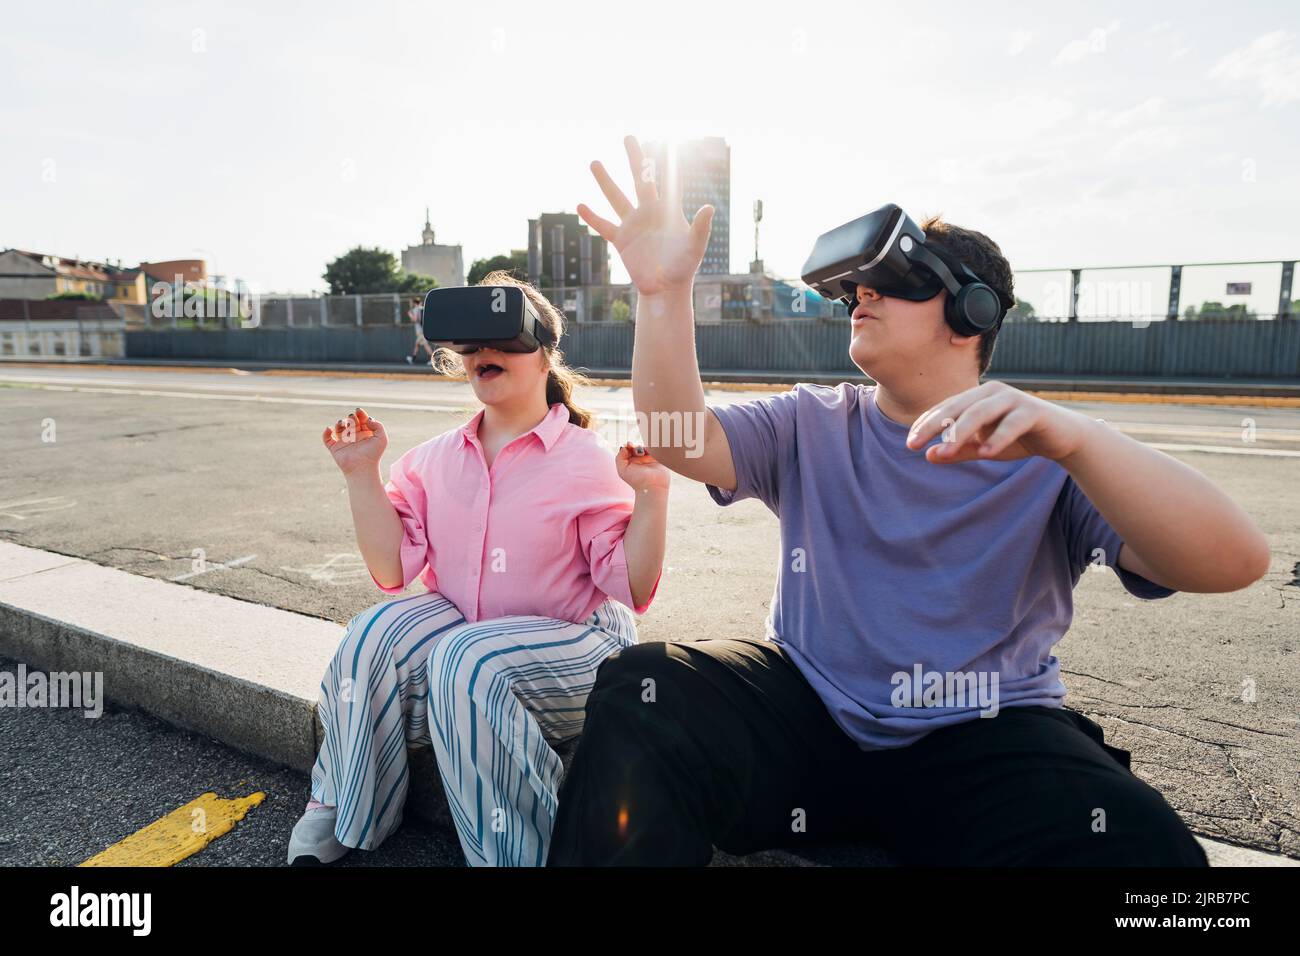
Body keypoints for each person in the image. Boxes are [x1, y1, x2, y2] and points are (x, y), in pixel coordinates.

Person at [545, 136, 1271, 866]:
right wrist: (661, 294)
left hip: (983, 733)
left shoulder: (1048, 451)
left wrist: (1081, 440)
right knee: (645, 686)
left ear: (971, 311)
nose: (862, 296)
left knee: (1143, 847)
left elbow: (1233, 560)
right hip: (811, 716)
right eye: (855, 287)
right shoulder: (814, 421)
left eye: (891, 281)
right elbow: (678, 437)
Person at [291, 270, 670, 866]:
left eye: (503, 339)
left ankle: (517, 855)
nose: (483, 354)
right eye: (471, 344)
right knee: (370, 635)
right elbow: (392, 571)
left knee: (464, 659)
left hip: (578, 645)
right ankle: (342, 804)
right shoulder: (432, 461)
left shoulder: (586, 460)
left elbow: (633, 585)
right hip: (466, 632)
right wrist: (361, 474)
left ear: (545, 355)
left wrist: (652, 496)